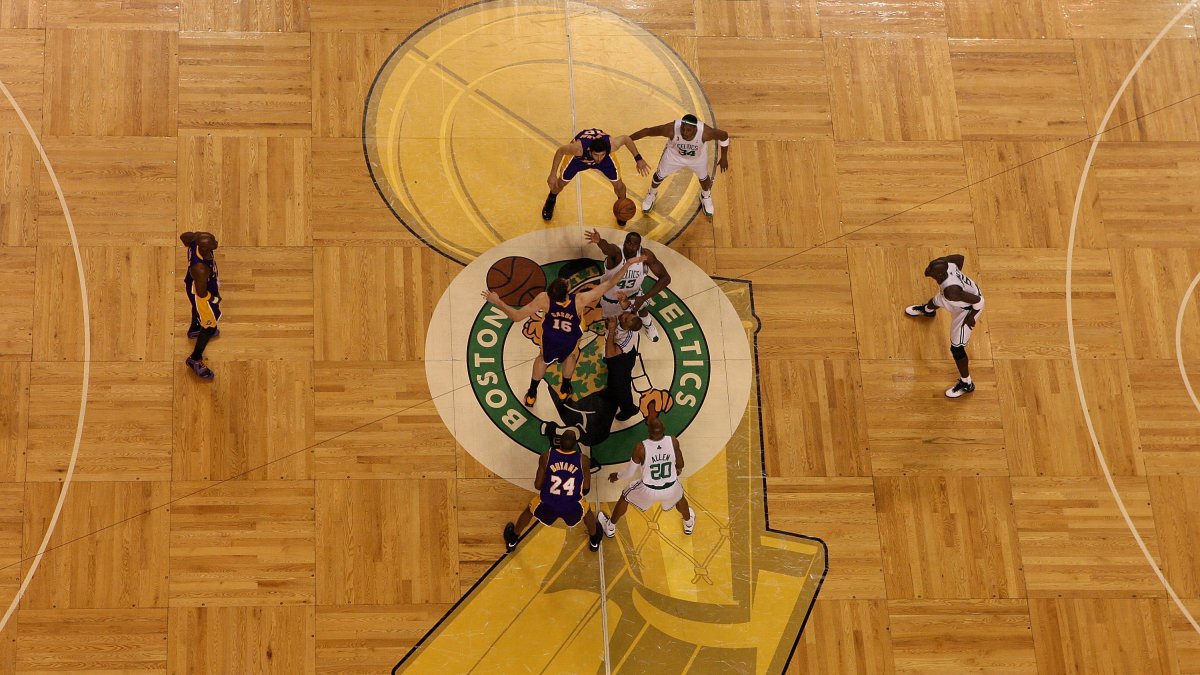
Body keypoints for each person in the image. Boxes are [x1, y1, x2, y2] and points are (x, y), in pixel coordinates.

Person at [483, 254, 646, 405]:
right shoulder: (580, 301)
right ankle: (564, 388)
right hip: (569, 339)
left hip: (550, 338)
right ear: (567, 293)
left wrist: (497, 301)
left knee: (542, 359)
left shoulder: (543, 299)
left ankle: (532, 393)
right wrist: (628, 264)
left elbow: (516, 316)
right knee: (570, 357)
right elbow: (609, 283)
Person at [597, 401, 695, 538]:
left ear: (648, 431)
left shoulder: (641, 448)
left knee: (625, 496)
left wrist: (617, 475)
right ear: (664, 428)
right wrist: (676, 471)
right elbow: (681, 465)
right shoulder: (673, 441)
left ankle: (610, 527)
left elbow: (630, 473)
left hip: (649, 489)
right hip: (670, 486)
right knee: (680, 498)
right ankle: (689, 523)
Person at [503, 428, 603, 553]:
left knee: (528, 511)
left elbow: (538, 485)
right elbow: (586, 488)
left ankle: (512, 540)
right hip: (571, 505)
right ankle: (594, 542)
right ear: (575, 445)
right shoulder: (583, 460)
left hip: (548, 503)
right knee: (587, 511)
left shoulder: (547, 457)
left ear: (558, 441)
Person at [904, 254, 985, 398]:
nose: (928, 270)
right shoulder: (949, 265)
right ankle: (927, 312)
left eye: (931, 270)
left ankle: (967, 384)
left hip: (967, 310)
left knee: (957, 349)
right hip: (958, 297)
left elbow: (979, 301)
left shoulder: (951, 291)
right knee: (936, 300)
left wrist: (971, 318)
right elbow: (960, 257)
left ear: (940, 274)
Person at [629, 113, 730, 218]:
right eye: (683, 129)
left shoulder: (706, 133)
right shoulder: (671, 129)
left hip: (697, 158)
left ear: (695, 128)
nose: (684, 133)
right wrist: (628, 139)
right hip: (674, 156)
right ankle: (652, 193)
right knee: (658, 176)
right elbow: (647, 131)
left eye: (688, 130)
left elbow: (724, 136)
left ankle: (705, 196)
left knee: (704, 179)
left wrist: (724, 157)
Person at [542, 128, 650, 224]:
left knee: (619, 185)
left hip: (606, 162)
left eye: (602, 154)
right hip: (578, 160)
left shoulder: (612, 145)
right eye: (596, 155)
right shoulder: (578, 148)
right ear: (590, 151)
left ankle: (622, 204)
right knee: (560, 183)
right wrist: (552, 174)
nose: (598, 158)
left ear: (606, 151)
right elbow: (560, 151)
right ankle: (551, 198)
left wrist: (638, 158)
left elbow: (626, 139)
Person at [585, 229, 670, 342]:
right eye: (628, 242)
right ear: (624, 242)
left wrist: (644, 298)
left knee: (642, 310)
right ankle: (613, 337)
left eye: (634, 244)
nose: (630, 246)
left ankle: (648, 326)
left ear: (639, 246)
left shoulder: (645, 255)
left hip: (633, 294)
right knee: (610, 321)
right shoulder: (617, 254)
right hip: (611, 298)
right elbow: (608, 249)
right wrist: (600, 241)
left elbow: (665, 278)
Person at [180, 231, 221, 380]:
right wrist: (215, 299)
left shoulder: (195, 240)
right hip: (201, 292)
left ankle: (195, 328)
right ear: (204, 248)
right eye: (212, 242)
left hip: (194, 283)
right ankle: (195, 359)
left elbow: (184, 236)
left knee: (195, 308)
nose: (216, 243)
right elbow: (202, 294)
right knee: (211, 327)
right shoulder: (201, 269)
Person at [603, 299, 643, 422]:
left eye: (626, 319)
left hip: (622, 360)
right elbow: (629, 304)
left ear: (628, 327)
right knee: (612, 378)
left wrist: (611, 330)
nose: (624, 316)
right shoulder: (627, 313)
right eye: (627, 315)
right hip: (616, 355)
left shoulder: (629, 337)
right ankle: (610, 392)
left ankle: (629, 409)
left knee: (622, 386)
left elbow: (610, 354)